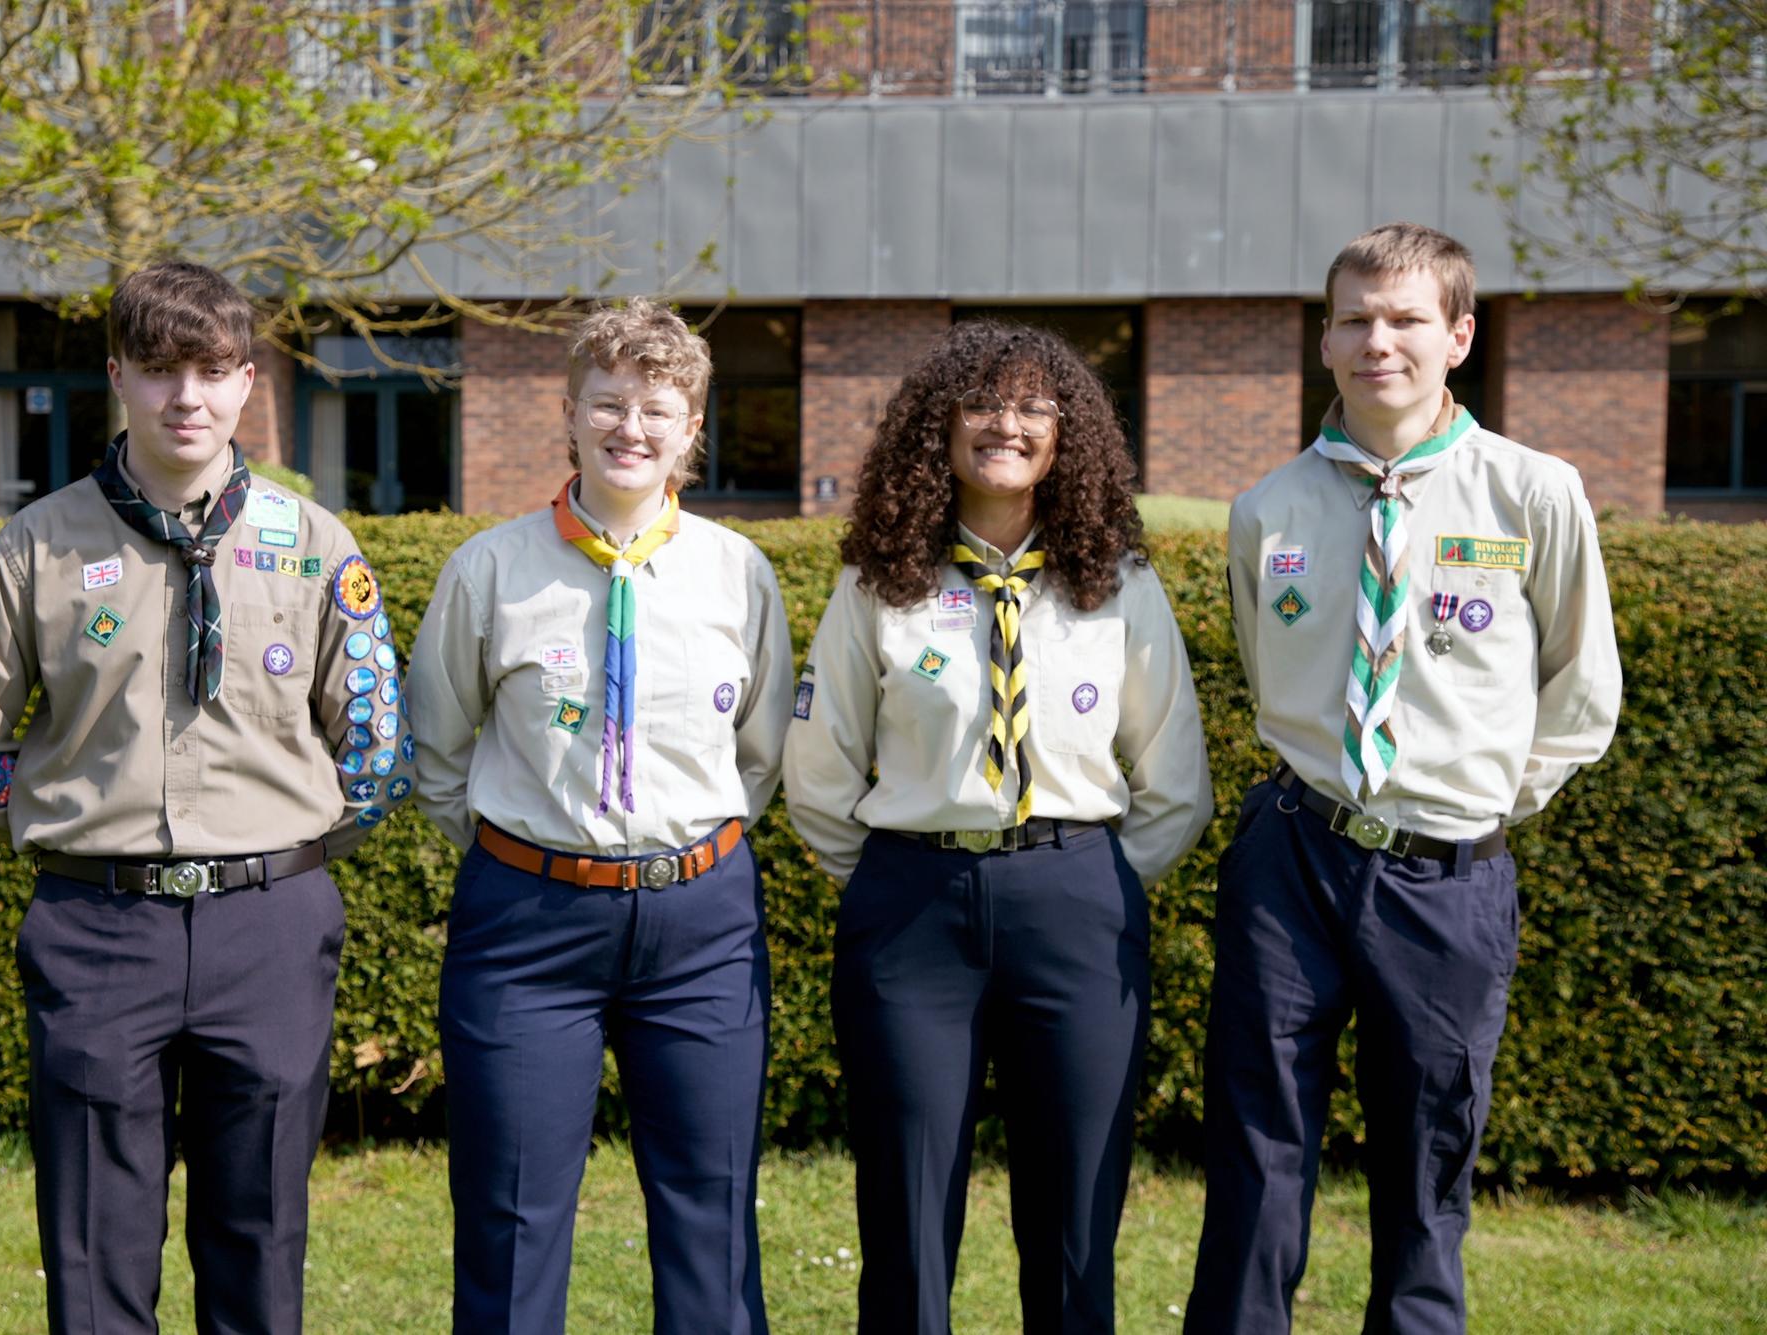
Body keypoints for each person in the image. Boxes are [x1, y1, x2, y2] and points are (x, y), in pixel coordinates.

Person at [0, 262, 413, 1332]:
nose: (187, 396)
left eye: (212, 370)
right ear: (116, 377)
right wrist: (65, 818)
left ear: (247, 382)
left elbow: (376, 754)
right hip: (98, 927)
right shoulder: (38, 547)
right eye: (158, 370)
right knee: (95, 1247)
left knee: (260, 1237)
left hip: (270, 925)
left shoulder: (315, 546)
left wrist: (283, 851)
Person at [1185, 222, 1623, 1334]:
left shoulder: (1532, 493)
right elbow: (1268, 675)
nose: (1379, 341)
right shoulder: (1267, 508)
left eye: (1406, 319)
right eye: (1355, 320)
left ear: (1458, 336)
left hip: (1445, 875)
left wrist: (1472, 806)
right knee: (1256, 1141)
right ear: (1325, 341)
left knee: (1429, 1155)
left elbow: (1581, 690)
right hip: (1293, 855)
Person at [782, 319, 1213, 1333]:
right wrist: (893, 876)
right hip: (913, 910)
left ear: (1068, 434)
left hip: (1073, 902)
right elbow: (818, 768)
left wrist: (1092, 881)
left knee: (1074, 1218)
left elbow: (1173, 778)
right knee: (904, 1208)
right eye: (980, 403)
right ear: (938, 427)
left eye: (1032, 407)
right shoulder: (880, 581)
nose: (1004, 425)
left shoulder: (1116, 582)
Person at [402, 298, 792, 1334]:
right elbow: (436, 750)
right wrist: (530, 851)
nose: (632, 428)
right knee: (511, 1218)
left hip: (701, 925)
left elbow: (757, 754)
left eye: (658, 410)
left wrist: (682, 849)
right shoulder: (490, 568)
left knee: (711, 1216)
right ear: (568, 414)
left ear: (691, 428)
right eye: (609, 403)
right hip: (528, 923)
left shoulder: (737, 572)